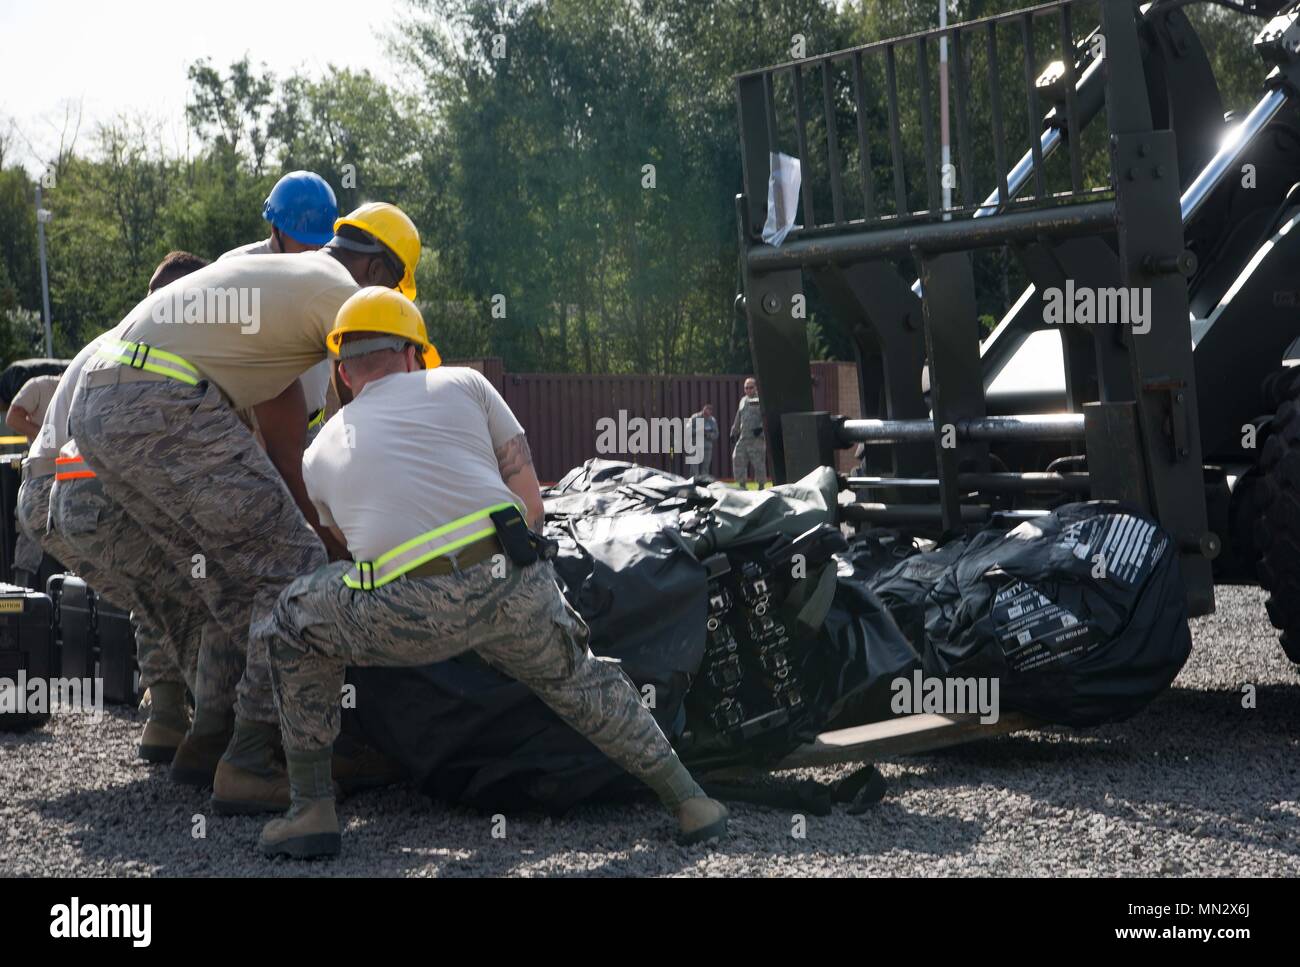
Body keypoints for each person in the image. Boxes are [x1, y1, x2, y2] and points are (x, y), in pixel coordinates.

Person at [254, 288, 729, 858]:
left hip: (404, 611)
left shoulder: (318, 450)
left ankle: (309, 809)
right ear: (413, 353)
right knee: (580, 678)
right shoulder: (466, 384)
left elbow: (354, 555)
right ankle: (689, 800)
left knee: (293, 618)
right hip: (511, 581)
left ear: (344, 372)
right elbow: (531, 506)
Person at [63, 202, 421, 815]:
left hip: (102, 408)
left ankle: (214, 739)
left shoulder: (277, 292)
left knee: (233, 580)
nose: (382, 309)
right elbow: (378, 395)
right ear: (375, 267)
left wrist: (323, 520)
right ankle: (250, 761)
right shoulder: (337, 290)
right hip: (159, 399)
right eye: (389, 291)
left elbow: (289, 451)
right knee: (293, 571)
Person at [22, 252, 210, 760]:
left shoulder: (109, 340)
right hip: (88, 490)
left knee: (152, 584)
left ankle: (167, 717)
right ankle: (216, 727)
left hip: (41, 496)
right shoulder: (164, 345)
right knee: (194, 584)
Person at [219, 170, 339, 440]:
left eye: (320, 243)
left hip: (312, 431)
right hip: (252, 433)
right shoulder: (235, 269)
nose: (313, 252)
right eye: (304, 242)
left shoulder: (330, 274)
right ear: (277, 228)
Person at [730, 377, 766, 489]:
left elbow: (766, 417)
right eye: (746, 388)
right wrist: (734, 431)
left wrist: (761, 428)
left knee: (758, 463)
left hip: (756, 439)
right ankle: (742, 486)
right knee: (737, 458)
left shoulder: (761, 400)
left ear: (755, 387)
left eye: (751, 387)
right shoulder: (743, 400)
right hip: (744, 437)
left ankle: (761, 487)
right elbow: (738, 416)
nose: (748, 390)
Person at [684, 403, 719, 477]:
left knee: (705, 468)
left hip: (707, 447)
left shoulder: (712, 420)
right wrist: (698, 430)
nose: (706, 416)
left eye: (708, 414)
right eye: (705, 413)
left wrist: (708, 435)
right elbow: (687, 429)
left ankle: (704, 485)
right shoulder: (694, 417)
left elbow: (716, 434)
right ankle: (693, 484)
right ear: (703, 411)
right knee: (694, 468)